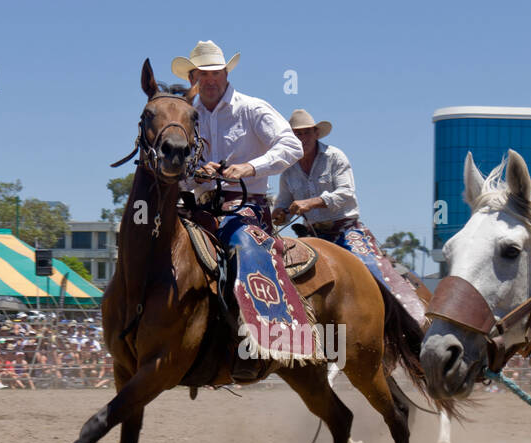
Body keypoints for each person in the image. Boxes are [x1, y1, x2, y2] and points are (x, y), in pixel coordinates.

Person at [273, 108, 428, 327]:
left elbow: (346, 193)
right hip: (312, 235)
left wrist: (311, 202)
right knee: (284, 272)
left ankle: (408, 318)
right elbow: (283, 202)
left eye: (306, 133)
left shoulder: (334, 157)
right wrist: (280, 213)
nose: (301, 138)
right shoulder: (288, 170)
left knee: (371, 266)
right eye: (296, 134)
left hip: (346, 231)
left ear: (316, 133)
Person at [174, 40, 300, 232]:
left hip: (246, 208)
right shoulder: (184, 118)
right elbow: (175, 177)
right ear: (192, 79)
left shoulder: (251, 108)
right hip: (199, 209)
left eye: (216, 73)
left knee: (244, 248)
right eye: (203, 74)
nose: (210, 80)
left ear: (226, 74)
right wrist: (196, 177)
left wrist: (250, 167)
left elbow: (292, 146)